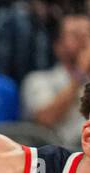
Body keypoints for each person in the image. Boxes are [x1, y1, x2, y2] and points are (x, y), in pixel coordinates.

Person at [22, 15, 90, 148]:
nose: (85, 41)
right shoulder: (38, 80)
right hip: (61, 160)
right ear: (58, 46)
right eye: (76, 35)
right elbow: (46, 119)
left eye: (88, 34)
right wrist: (80, 73)